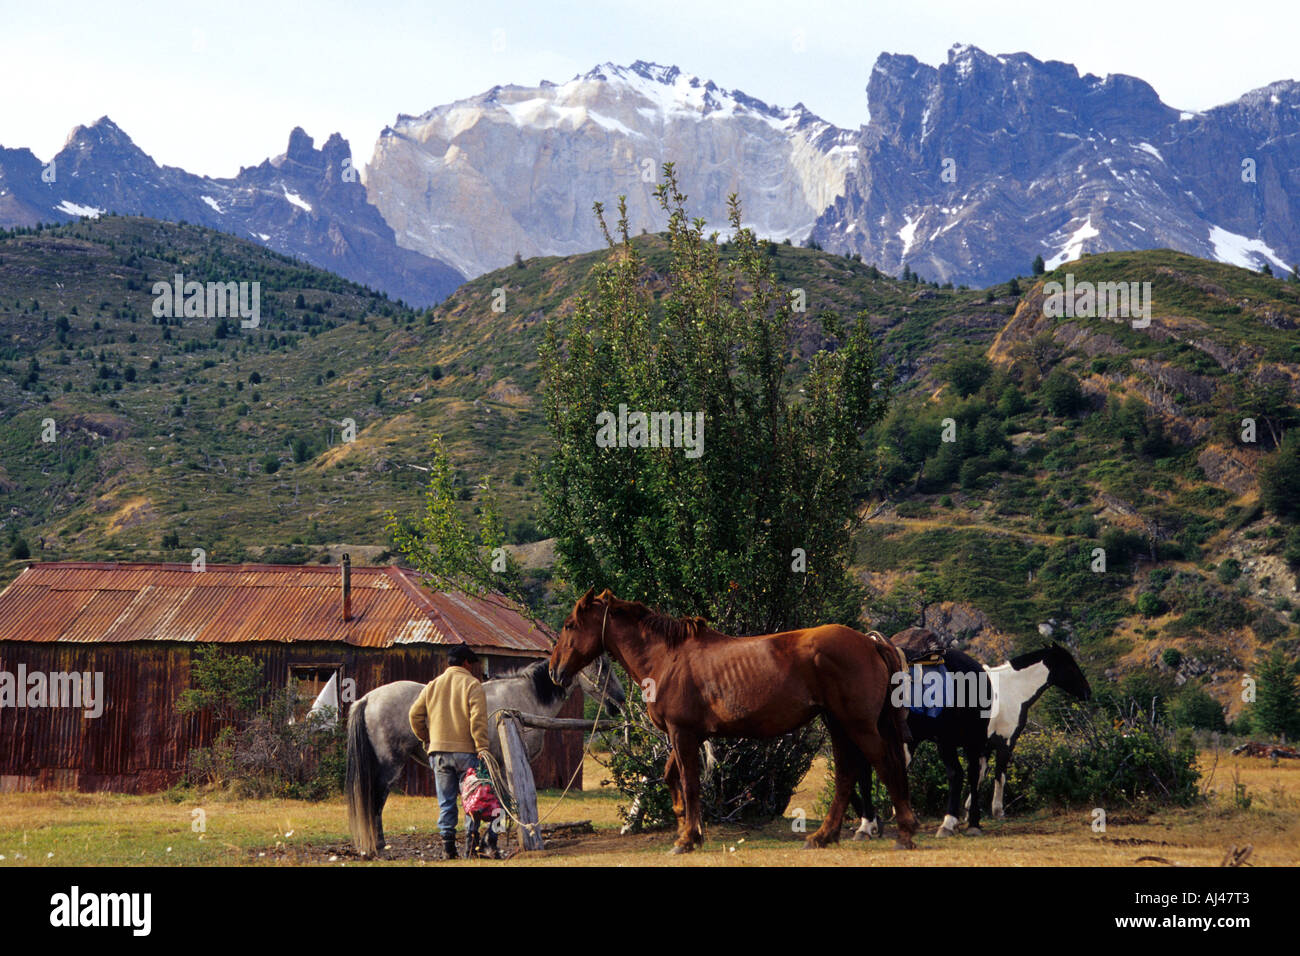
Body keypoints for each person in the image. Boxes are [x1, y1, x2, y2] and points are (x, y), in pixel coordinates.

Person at [408, 644, 491, 860]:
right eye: (471, 663)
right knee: (471, 799)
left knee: (445, 802)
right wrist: (482, 746)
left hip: (439, 753)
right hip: (467, 753)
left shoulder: (432, 685)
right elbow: (478, 720)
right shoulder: (472, 685)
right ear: (465, 663)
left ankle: (448, 848)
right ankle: (470, 846)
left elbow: (414, 715)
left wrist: (427, 738)